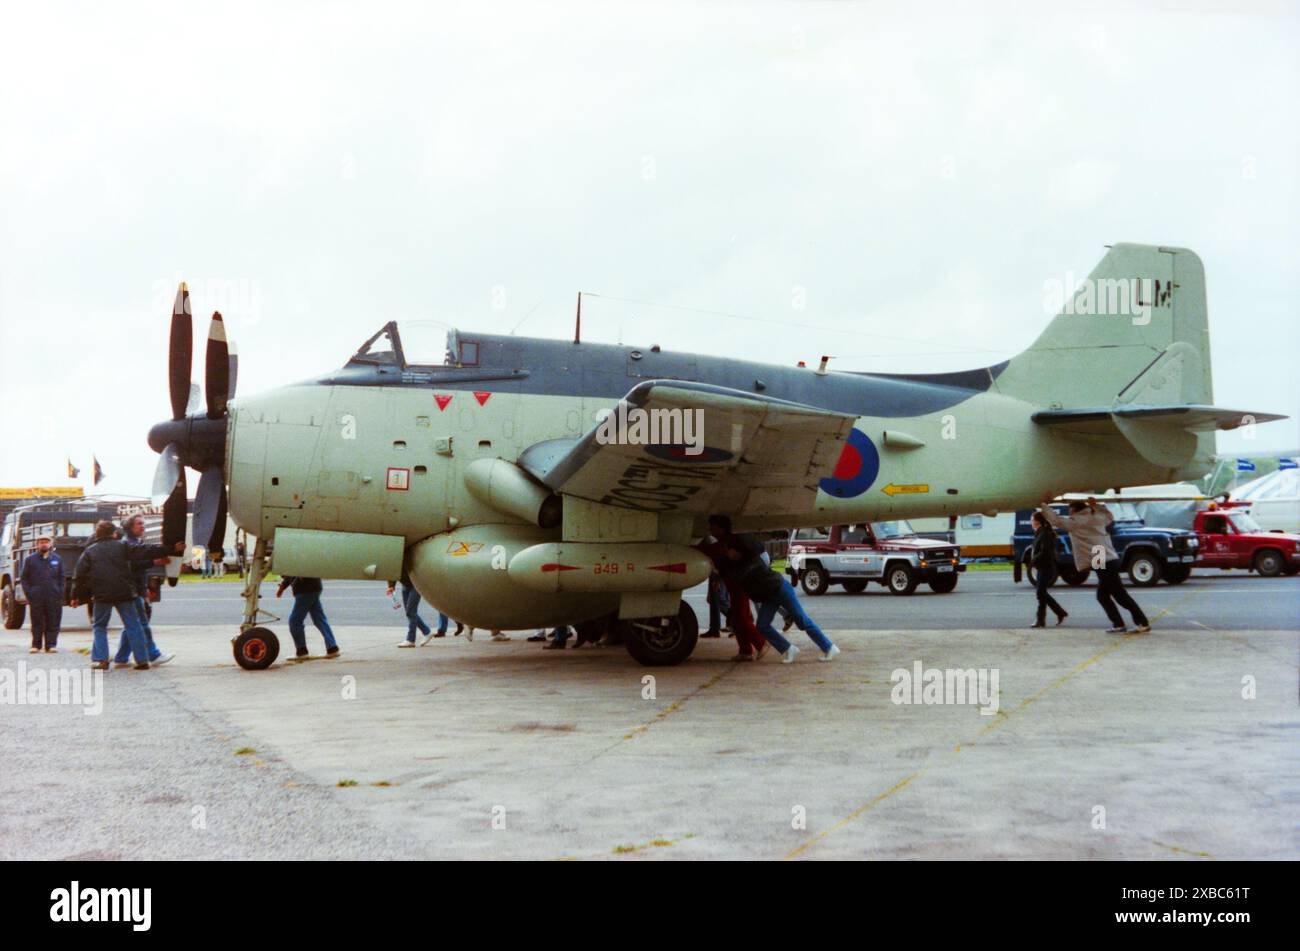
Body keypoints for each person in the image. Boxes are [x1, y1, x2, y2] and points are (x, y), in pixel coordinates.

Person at [713, 514, 838, 664]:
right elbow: (728, 571)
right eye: (726, 552)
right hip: (768, 596)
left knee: (802, 620)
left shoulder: (750, 557)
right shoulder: (736, 566)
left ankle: (829, 647)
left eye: (729, 550)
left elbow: (744, 545)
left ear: (737, 549)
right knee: (762, 626)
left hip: (780, 590)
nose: (728, 553)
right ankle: (789, 649)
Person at [72, 521, 182, 670]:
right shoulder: (123, 546)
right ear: (114, 533)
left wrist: (75, 596)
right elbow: (146, 551)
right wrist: (171, 548)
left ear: (97, 535)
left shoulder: (90, 551)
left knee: (100, 626)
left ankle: (101, 660)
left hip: (101, 594)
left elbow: (79, 574)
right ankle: (142, 660)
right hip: (125, 592)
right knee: (133, 625)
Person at [1040, 494, 1150, 634]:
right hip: (1107, 555)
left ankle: (1142, 622)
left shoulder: (1077, 521)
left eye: (1070, 511)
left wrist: (1044, 505)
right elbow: (1109, 516)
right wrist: (1096, 506)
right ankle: (1118, 624)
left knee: (1119, 595)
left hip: (1101, 558)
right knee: (1104, 595)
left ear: (1073, 510)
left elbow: (1056, 521)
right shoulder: (1097, 516)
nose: (1069, 514)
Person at [698, 521, 768, 661]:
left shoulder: (731, 542)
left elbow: (712, 552)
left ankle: (761, 643)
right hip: (733, 584)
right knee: (737, 618)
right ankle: (745, 651)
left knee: (742, 617)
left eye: (713, 527)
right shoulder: (726, 542)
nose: (711, 530)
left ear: (721, 528)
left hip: (738, 584)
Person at [114, 514, 174, 667]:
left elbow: (139, 566)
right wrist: (156, 560)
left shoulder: (134, 542)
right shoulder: (127, 544)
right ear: (129, 527)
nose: (143, 526)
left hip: (137, 588)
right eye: (139, 524)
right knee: (142, 623)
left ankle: (121, 657)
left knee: (132, 625)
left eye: (143, 524)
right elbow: (133, 567)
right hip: (132, 590)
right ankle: (153, 655)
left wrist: (145, 586)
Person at [275, 576, 340, 658]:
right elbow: (291, 573)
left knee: (295, 621)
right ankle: (332, 648)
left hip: (305, 590)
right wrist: (282, 586)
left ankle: (302, 651)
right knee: (319, 619)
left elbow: (293, 571)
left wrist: (283, 586)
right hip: (314, 588)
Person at [20, 535, 64, 653]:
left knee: (53, 621)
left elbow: (61, 577)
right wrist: (30, 593)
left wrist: (59, 592)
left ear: (50, 544)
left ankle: (51, 645)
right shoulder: (30, 560)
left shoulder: (57, 559)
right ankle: (36, 645)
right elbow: (24, 579)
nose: (44, 544)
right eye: (41, 542)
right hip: (36, 596)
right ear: (37, 545)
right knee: (36, 621)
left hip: (53, 596)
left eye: (46, 542)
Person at [1027, 511, 1067, 628]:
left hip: (1046, 567)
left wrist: (1033, 561)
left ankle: (1041, 620)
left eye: (1032, 519)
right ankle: (1059, 613)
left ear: (1037, 521)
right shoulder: (1040, 532)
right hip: (1042, 567)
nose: (1030, 522)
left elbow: (1045, 551)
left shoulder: (1044, 534)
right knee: (1042, 593)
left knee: (1040, 593)